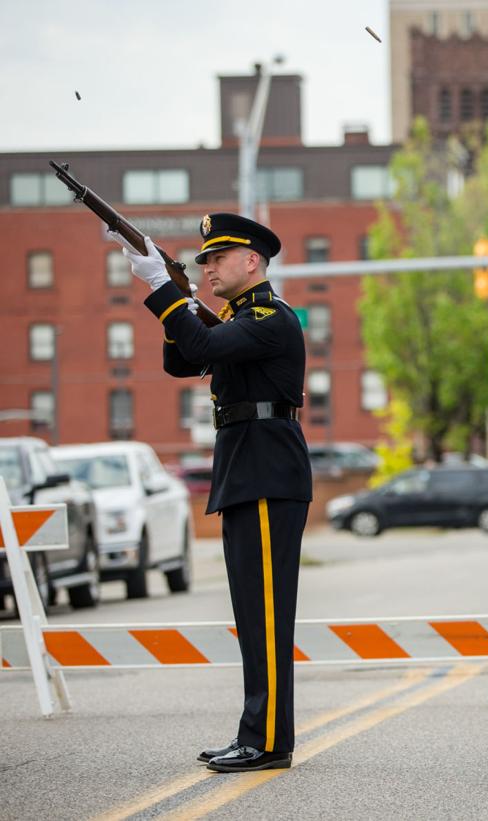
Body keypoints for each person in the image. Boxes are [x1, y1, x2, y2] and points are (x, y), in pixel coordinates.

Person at [111, 213, 311, 773]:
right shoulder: (235, 319)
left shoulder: (272, 317)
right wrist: (175, 296)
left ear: (252, 261)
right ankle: (258, 733)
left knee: (268, 616)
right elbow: (183, 357)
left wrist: (162, 288)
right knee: (252, 616)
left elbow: (197, 341)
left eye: (217, 258)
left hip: (269, 474)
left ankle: (269, 741)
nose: (207, 267)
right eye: (202, 261)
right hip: (246, 471)